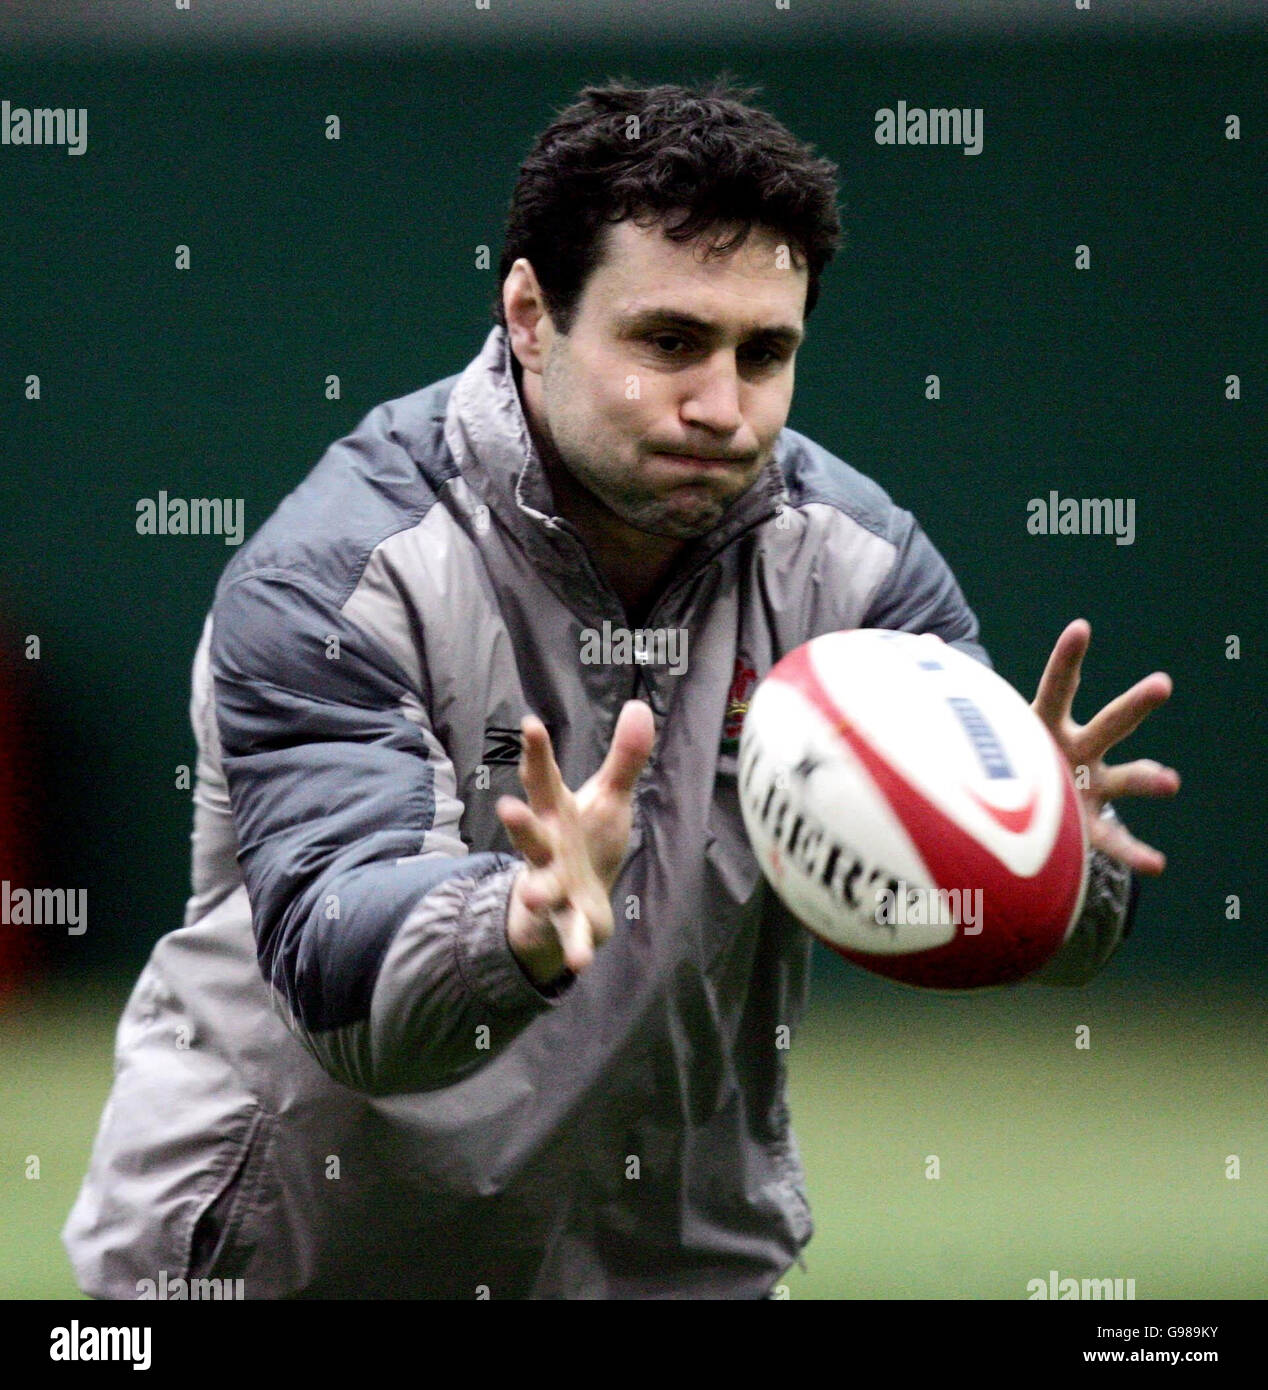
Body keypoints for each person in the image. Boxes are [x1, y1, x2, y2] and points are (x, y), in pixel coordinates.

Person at [63, 78, 1179, 1300]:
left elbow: (1041, 931)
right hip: (298, 1264)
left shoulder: (853, 563)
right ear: (531, 315)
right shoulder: (336, 577)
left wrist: (1045, 850)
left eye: (765, 353)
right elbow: (338, 973)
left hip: (666, 1268)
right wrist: (509, 928)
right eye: (668, 342)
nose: (722, 405)